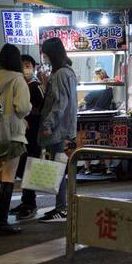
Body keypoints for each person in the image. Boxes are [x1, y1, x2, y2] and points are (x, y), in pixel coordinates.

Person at [0, 45, 31, 235]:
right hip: (13, 133)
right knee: (8, 177)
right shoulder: (18, 80)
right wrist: (28, 108)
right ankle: (2, 222)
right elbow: (21, 107)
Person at [37, 37, 78, 222]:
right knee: (58, 167)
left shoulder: (61, 73)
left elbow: (60, 103)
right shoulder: (67, 72)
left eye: (45, 54)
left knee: (58, 168)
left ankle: (62, 207)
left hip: (58, 129)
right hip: (63, 127)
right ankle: (60, 206)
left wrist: (48, 124)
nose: (44, 58)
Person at [12, 55, 45, 220]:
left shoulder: (35, 85)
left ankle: (30, 204)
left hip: (33, 133)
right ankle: (26, 201)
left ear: (33, 67)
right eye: (22, 65)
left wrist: (26, 113)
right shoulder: (19, 84)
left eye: (28, 65)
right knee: (23, 166)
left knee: (28, 167)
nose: (25, 69)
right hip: (21, 133)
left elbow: (41, 107)